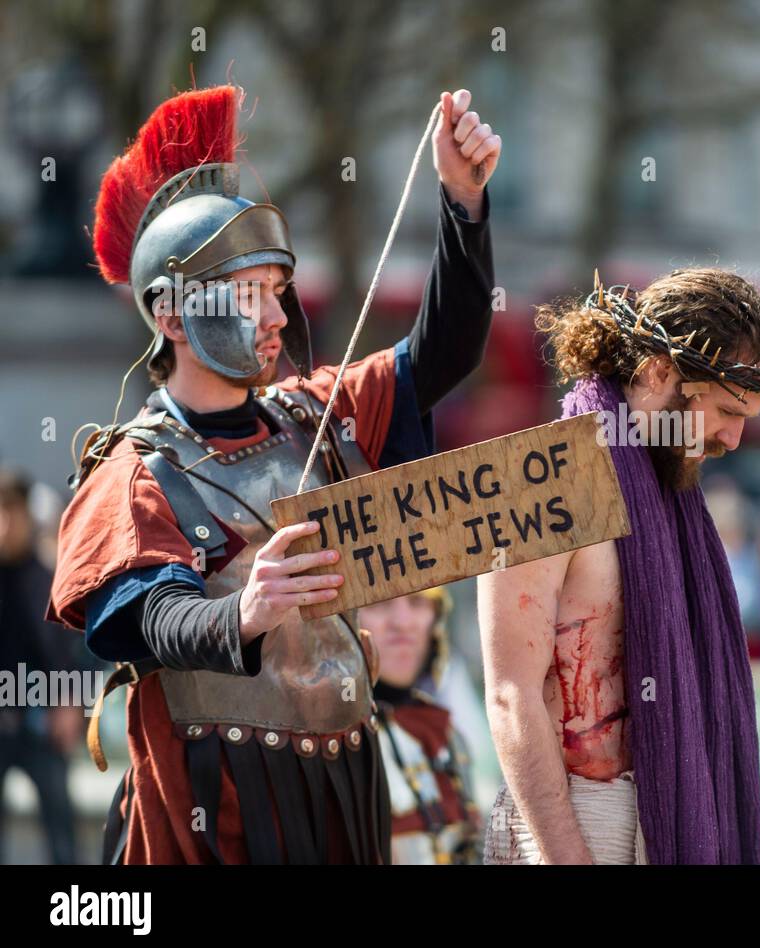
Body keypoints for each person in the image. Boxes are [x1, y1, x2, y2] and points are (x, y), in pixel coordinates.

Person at [47, 84, 500, 864]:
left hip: (342, 800)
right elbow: (147, 619)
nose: (277, 318)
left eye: (277, 293)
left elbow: (444, 352)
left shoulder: (313, 414)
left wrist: (462, 202)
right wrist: (243, 614)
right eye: (250, 294)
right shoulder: (133, 472)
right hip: (212, 812)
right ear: (171, 314)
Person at [478, 268, 760, 864]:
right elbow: (510, 693)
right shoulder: (543, 481)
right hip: (577, 821)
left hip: (675, 817)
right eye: (727, 411)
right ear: (659, 371)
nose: (733, 440)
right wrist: (565, 856)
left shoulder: (671, 493)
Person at [359, 588, 480, 864]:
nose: (403, 623)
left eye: (417, 602)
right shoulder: (322, 742)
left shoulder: (445, 734)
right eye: (378, 603)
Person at [0, 469, 83, 863]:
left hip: (42, 721)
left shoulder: (50, 578)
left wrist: (69, 705)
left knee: (60, 835)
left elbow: (77, 649)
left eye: (10, 511)